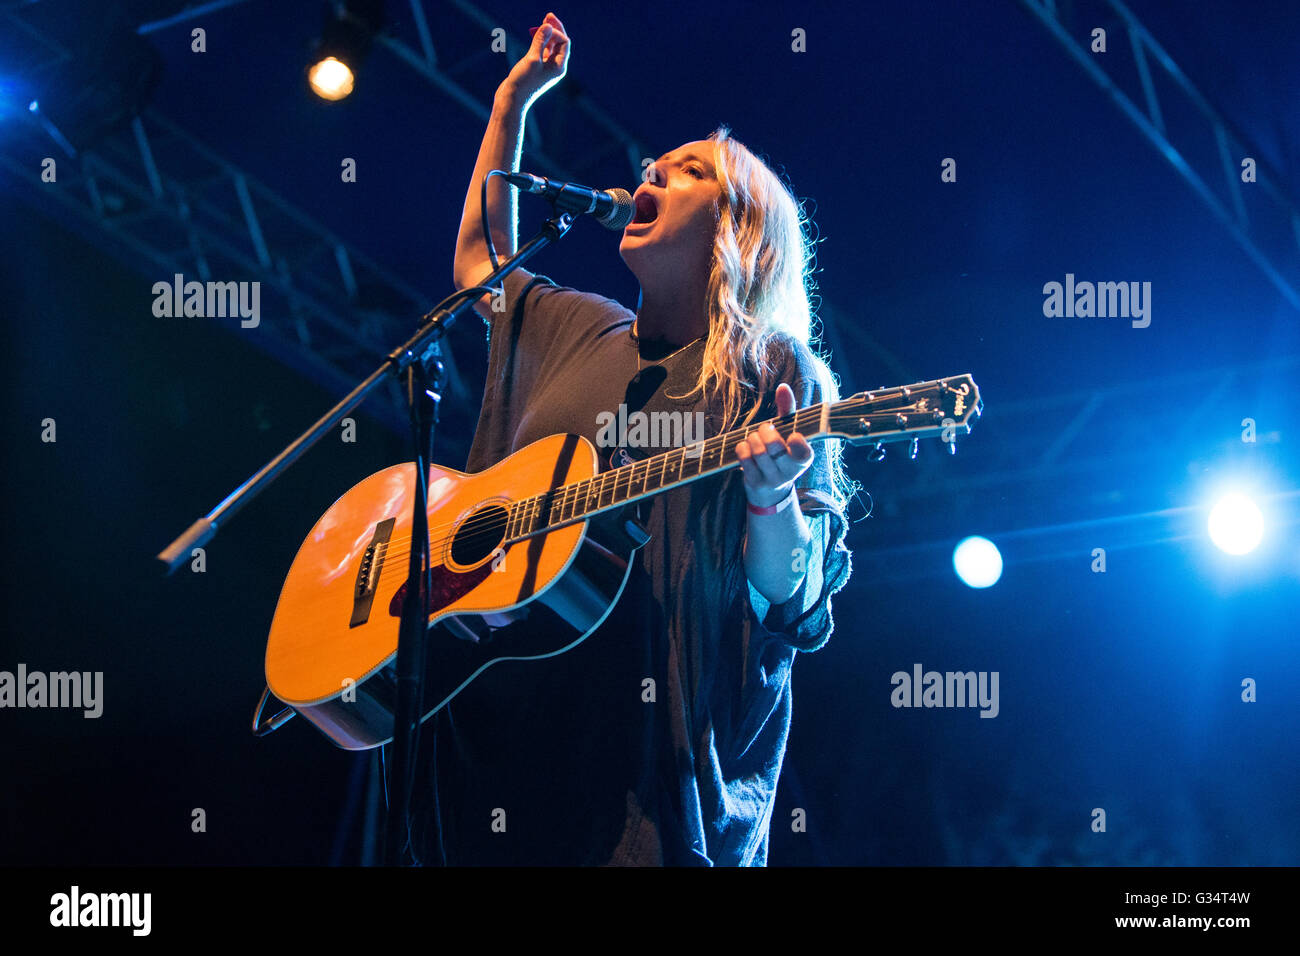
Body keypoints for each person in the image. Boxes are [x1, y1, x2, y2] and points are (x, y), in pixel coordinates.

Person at [407, 11, 855, 866]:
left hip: (654, 788)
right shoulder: (578, 328)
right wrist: (511, 105)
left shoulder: (772, 370)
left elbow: (792, 601)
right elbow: (480, 267)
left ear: (737, 232)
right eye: (656, 162)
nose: (650, 171)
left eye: (687, 172)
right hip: (509, 761)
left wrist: (771, 500)